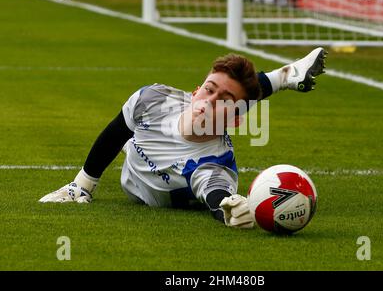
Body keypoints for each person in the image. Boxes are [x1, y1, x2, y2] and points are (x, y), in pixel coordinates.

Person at [39, 47, 327, 229]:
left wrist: (231, 207)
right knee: (229, 96)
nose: (209, 101)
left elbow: (217, 196)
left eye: (222, 100)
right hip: (139, 149)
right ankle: (284, 76)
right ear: (194, 91)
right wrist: (82, 186)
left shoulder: (213, 167)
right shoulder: (151, 99)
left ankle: (278, 78)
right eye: (207, 90)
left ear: (236, 122)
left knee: (233, 101)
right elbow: (116, 132)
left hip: (142, 190)